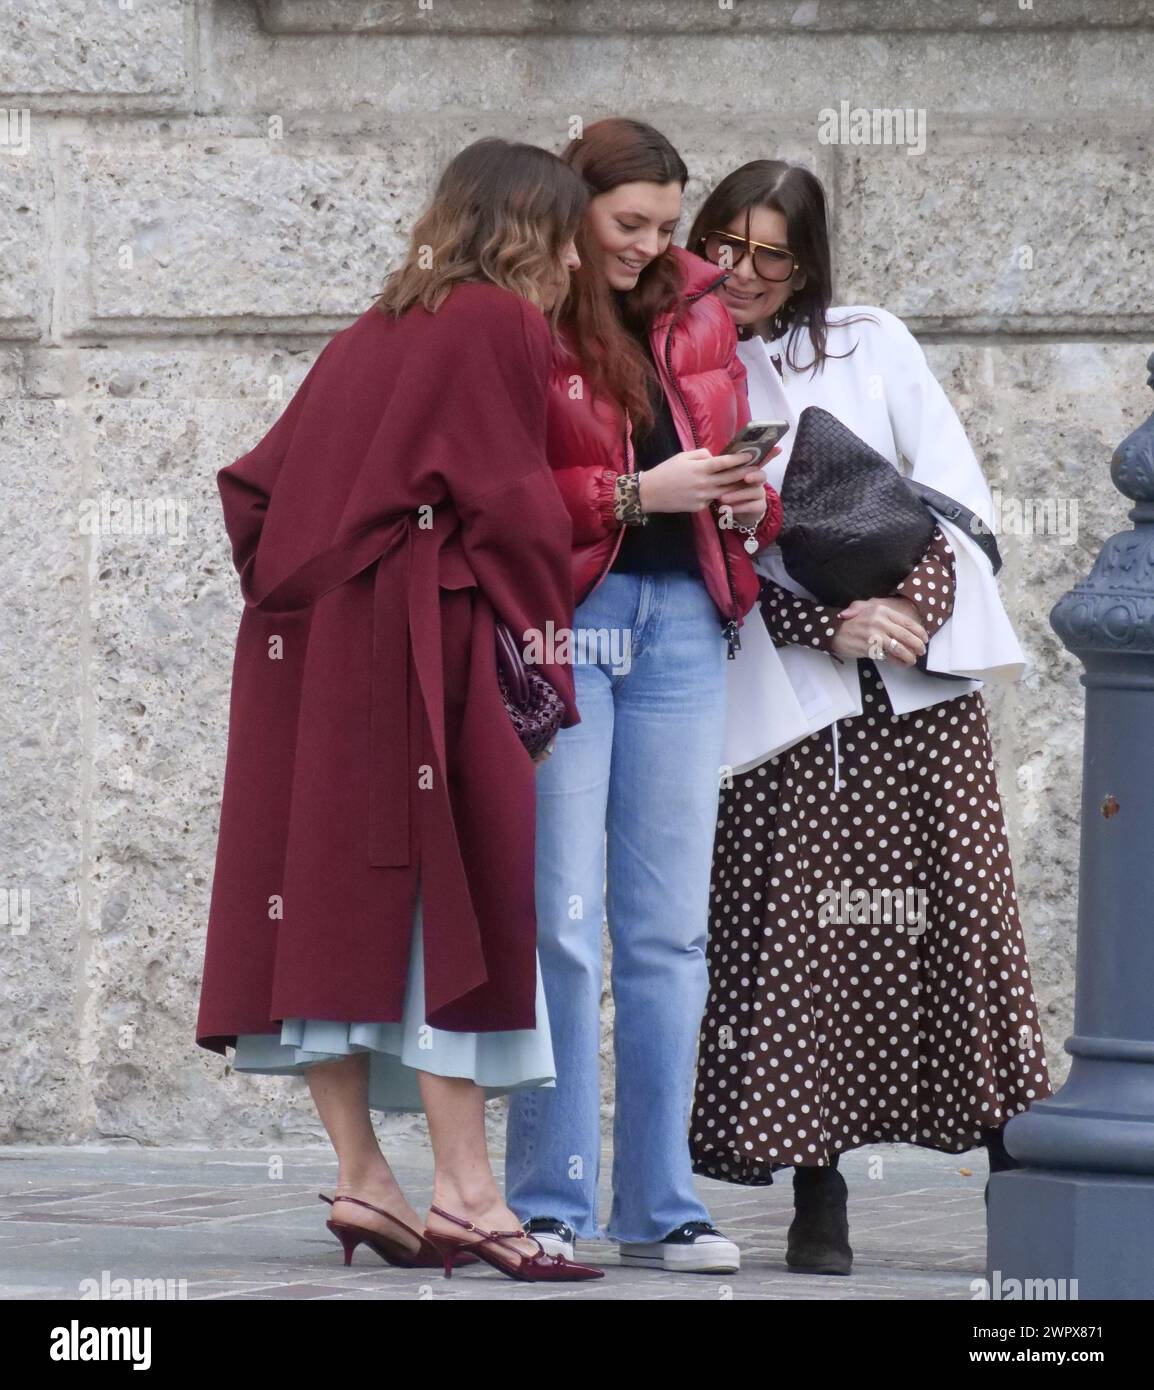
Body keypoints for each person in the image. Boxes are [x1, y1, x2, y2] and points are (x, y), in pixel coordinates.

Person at [195, 138, 603, 1283]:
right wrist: (544, 653)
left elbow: (252, 490)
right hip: (421, 647)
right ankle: (469, 1198)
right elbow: (515, 508)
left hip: (310, 653)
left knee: (323, 902)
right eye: (569, 234)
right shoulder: (497, 324)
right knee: (449, 898)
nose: (576, 263)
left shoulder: (366, 333)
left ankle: (363, 1179)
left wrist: (318, 586)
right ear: (531, 231)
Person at [685, 159, 1052, 1275]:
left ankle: (1015, 1177)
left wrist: (901, 605)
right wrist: (819, 630)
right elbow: (697, 552)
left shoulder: (869, 341)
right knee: (803, 939)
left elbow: (957, 501)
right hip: (788, 705)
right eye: (724, 245)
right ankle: (817, 1194)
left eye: (768, 253)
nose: (741, 272)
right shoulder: (679, 369)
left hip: (916, 694)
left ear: (806, 260)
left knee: (962, 927)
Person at [504, 118, 783, 1275]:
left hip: (681, 625)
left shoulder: (698, 305)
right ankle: (549, 1194)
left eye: (666, 227)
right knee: (562, 919)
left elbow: (740, 485)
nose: (648, 246)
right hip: (569, 624)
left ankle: (660, 1202)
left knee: (667, 931)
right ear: (572, 208)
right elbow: (506, 492)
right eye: (628, 225)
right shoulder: (519, 312)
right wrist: (630, 491)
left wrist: (733, 501)